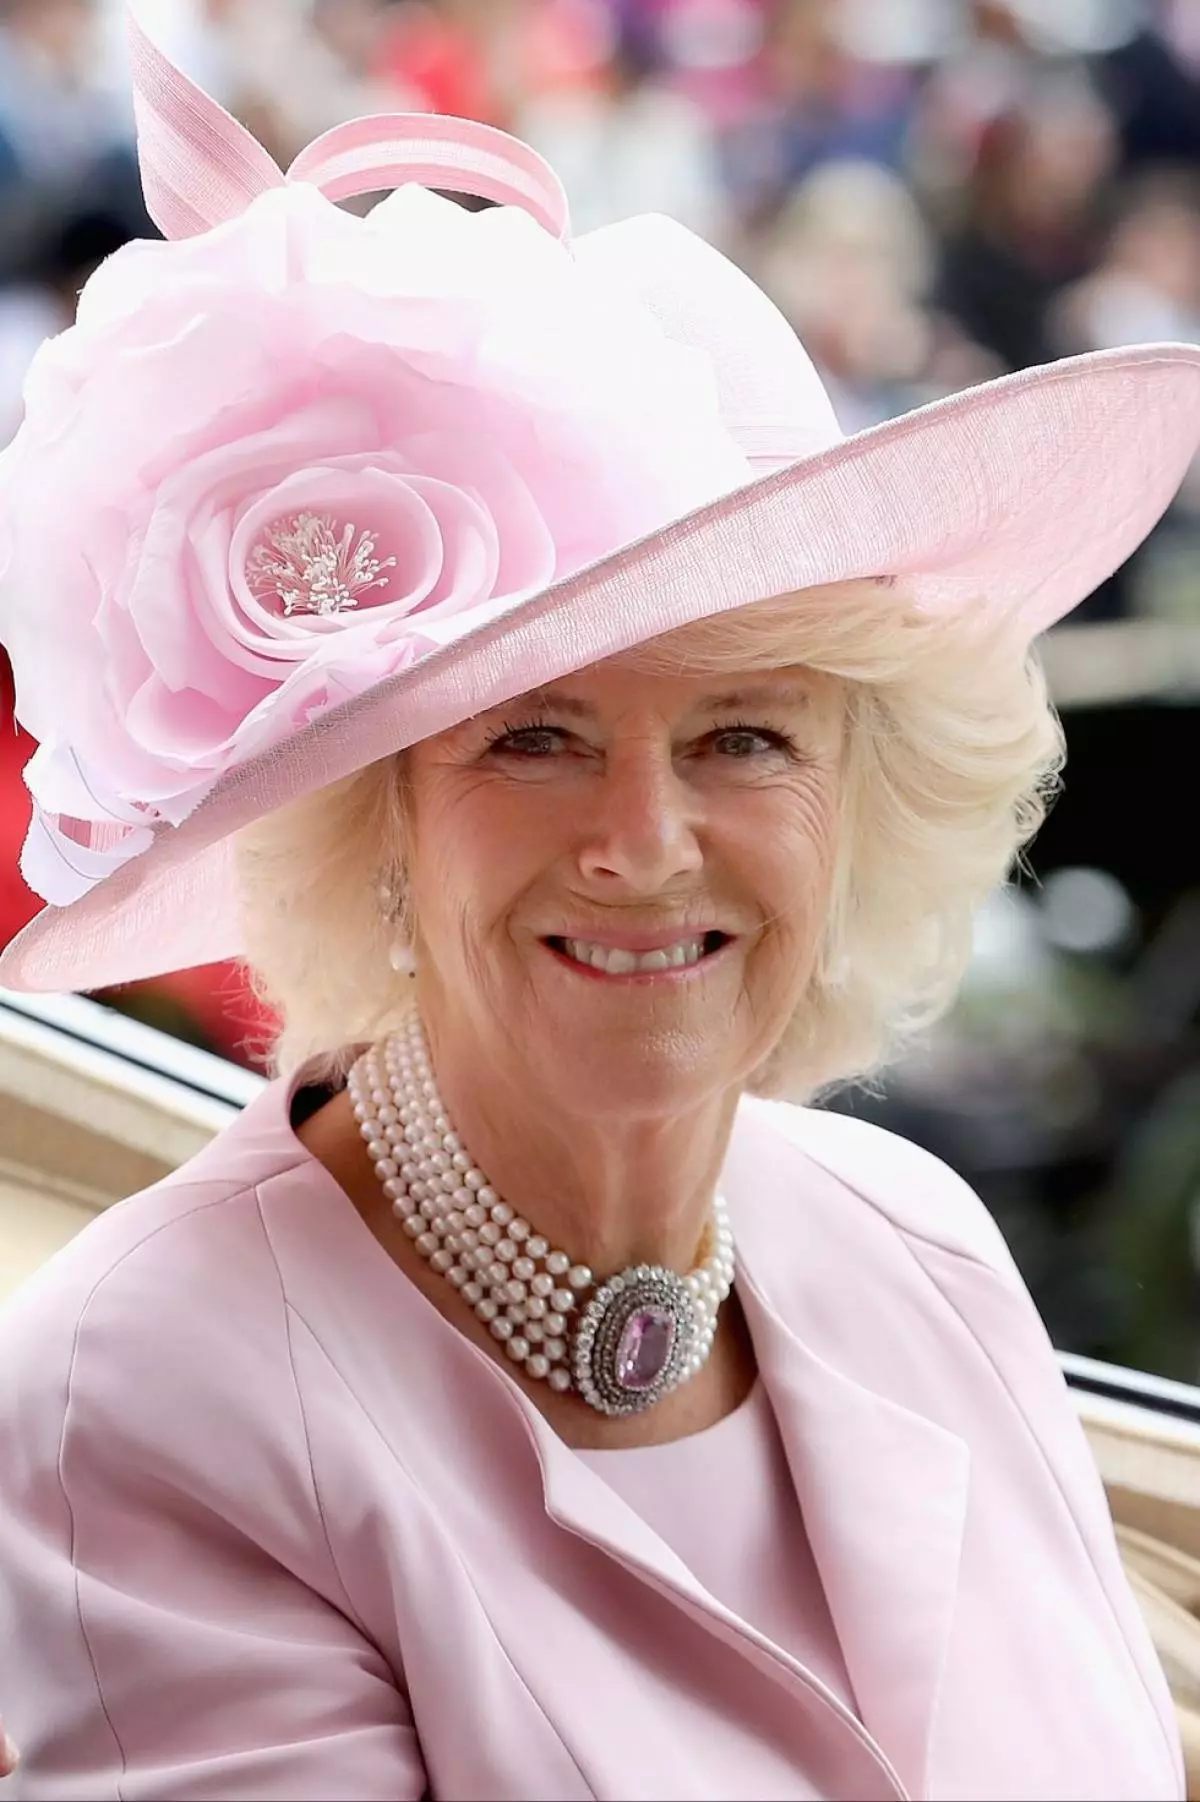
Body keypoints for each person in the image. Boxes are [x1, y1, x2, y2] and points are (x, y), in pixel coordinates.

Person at [0, 7, 1197, 1798]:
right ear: (375, 816)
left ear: (859, 796)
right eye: (537, 738)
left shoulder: (919, 1239)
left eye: (740, 735)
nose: (644, 840)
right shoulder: (144, 1396)